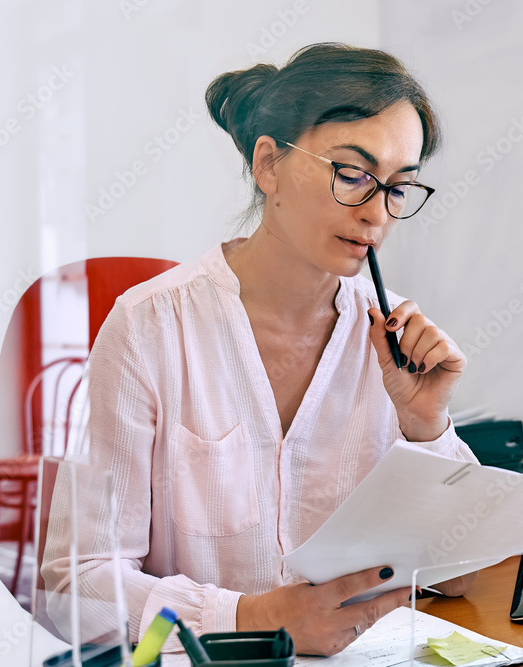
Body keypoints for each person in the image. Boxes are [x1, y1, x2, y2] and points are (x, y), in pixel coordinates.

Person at [42, 42, 479, 657]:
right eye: (352, 174)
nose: (377, 213)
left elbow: (458, 577)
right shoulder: (150, 327)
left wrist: (427, 425)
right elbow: (76, 586)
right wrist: (250, 616)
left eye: (398, 188)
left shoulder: (393, 345)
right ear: (268, 164)